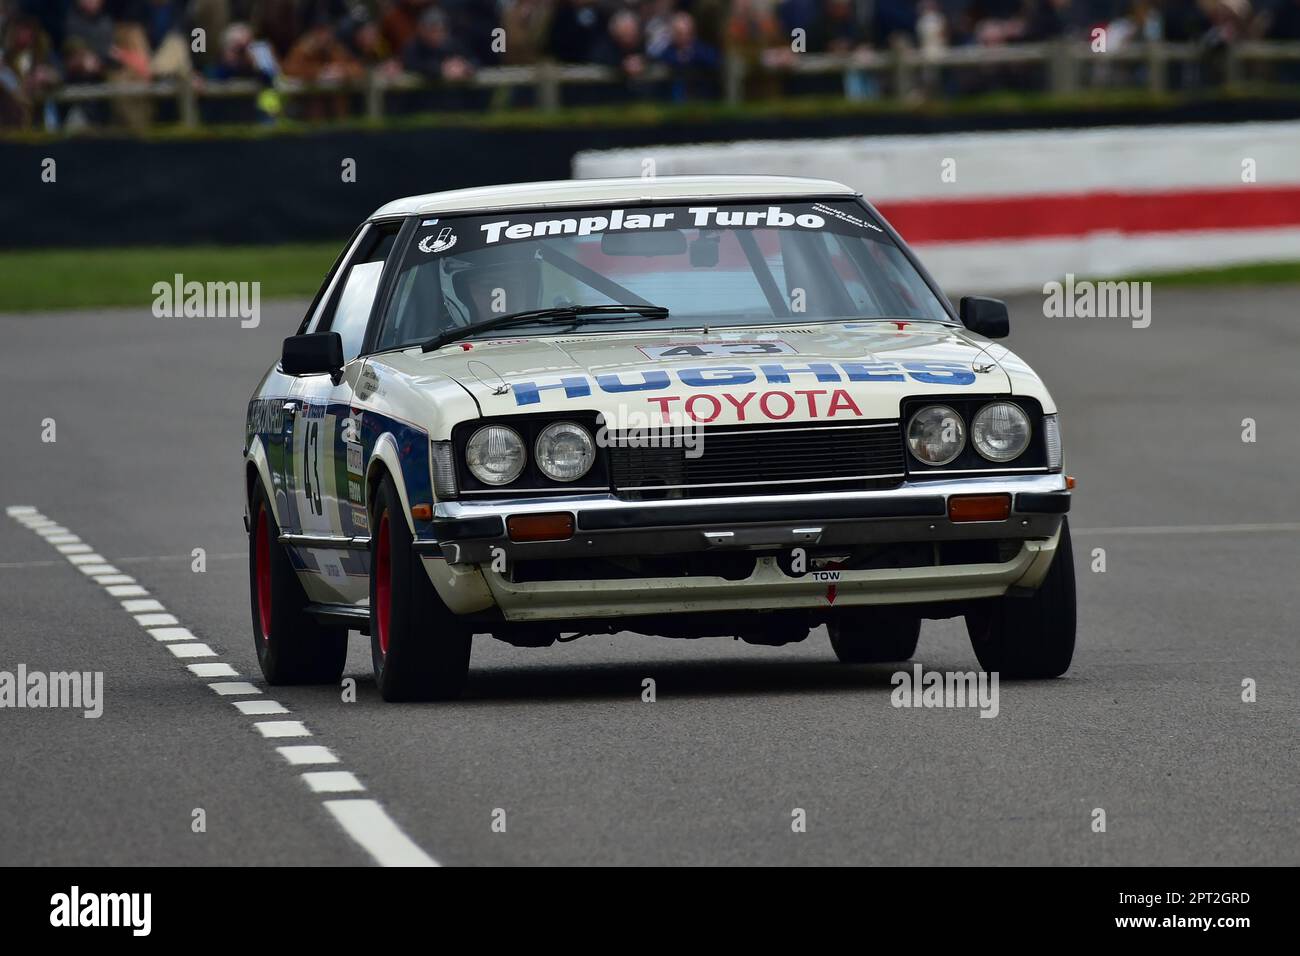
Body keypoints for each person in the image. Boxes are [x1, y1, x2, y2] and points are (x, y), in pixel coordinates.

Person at [656, 10, 719, 101]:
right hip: (672, 102)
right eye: (679, 33)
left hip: (701, 100)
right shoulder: (668, 51)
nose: (683, 37)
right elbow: (661, 62)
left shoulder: (703, 50)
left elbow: (714, 61)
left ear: (692, 32)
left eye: (687, 33)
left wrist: (691, 55)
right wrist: (679, 58)